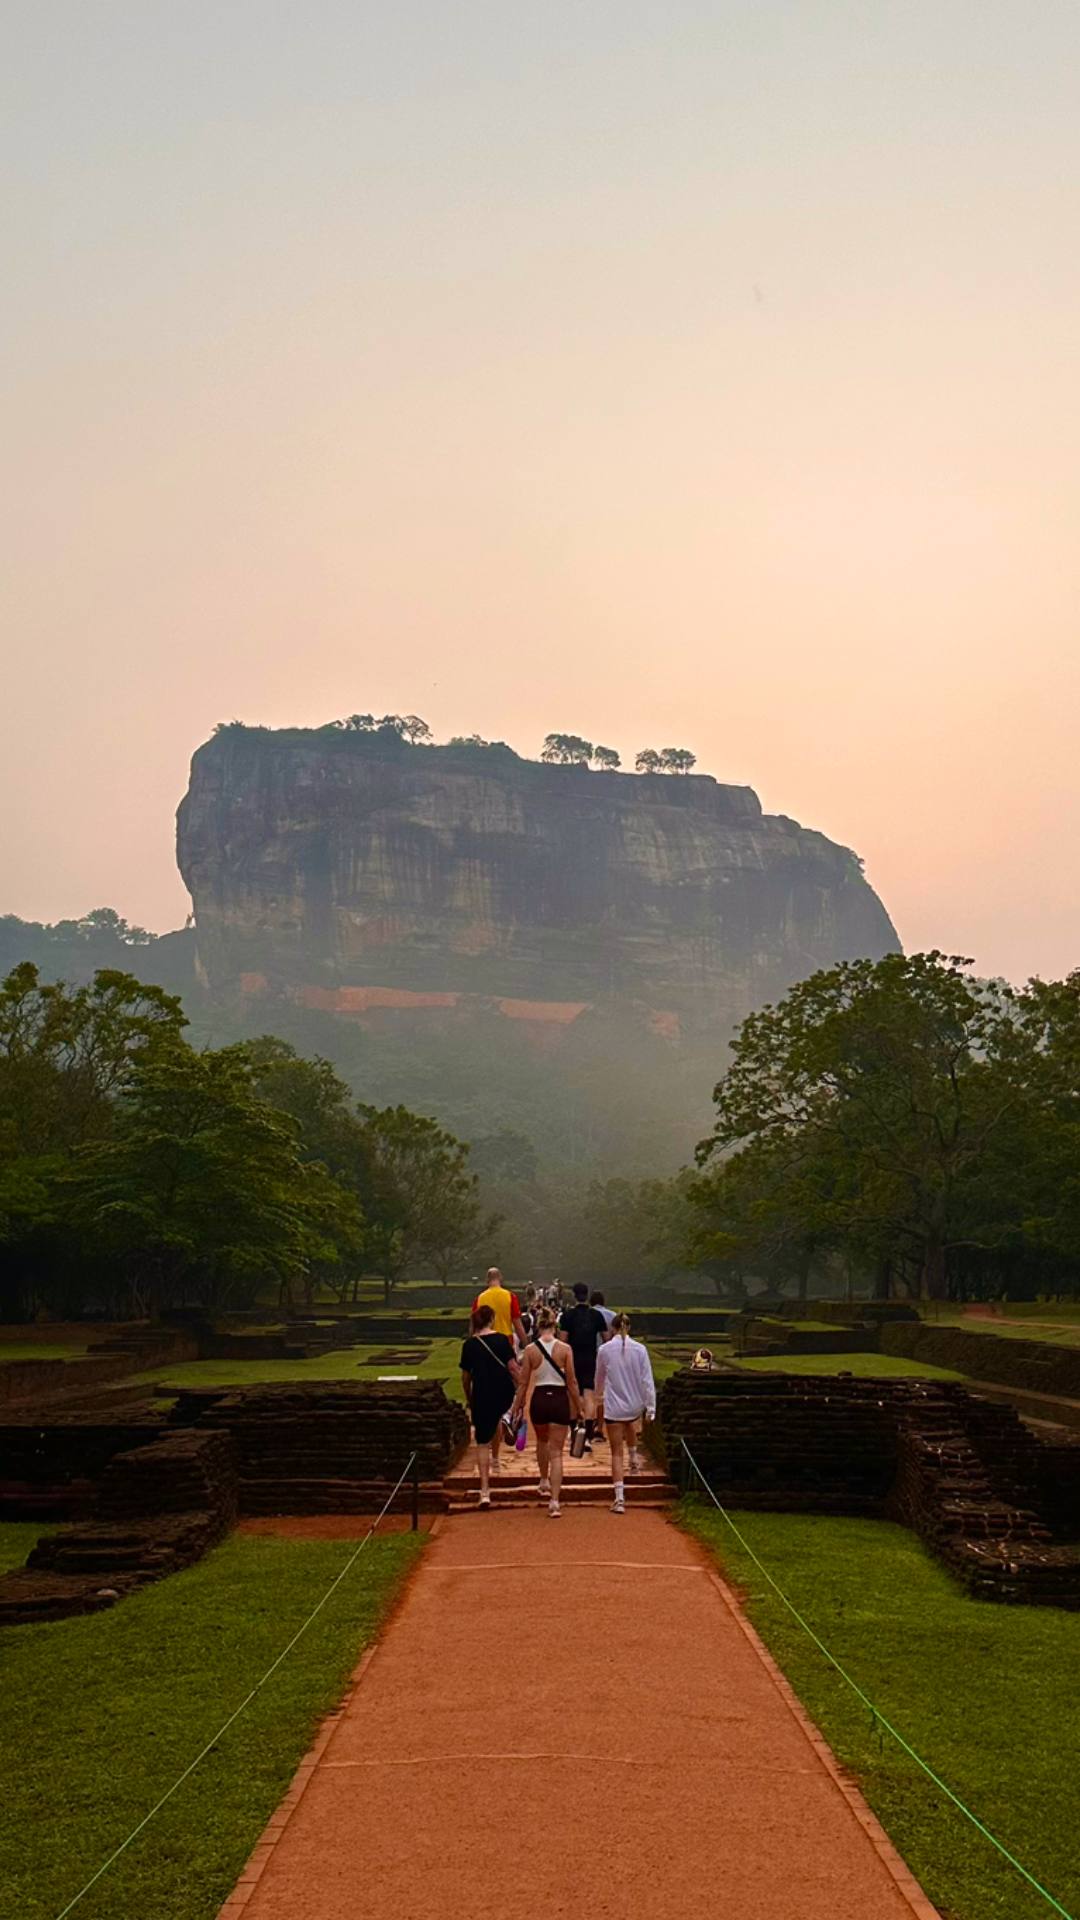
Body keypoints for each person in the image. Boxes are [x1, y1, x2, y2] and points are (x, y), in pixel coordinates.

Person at [508, 1306, 581, 1518]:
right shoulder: (565, 1349)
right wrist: (580, 1407)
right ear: (555, 1326)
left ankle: (543, 1479)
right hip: (559, 1400)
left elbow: (523, 1383)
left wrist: (517, 1407)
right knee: (557, 1452)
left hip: (539, 1399)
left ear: (539, 1326)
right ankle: (555, 1502)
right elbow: (572, 1382)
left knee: (541, 1442)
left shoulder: (530, 1350)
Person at [595, 1313, 656, 1514]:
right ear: (628, 1328)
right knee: (630, 1424)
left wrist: (598, 1397)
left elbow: (600, 1377)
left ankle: (620, 1498)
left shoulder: (604, 1350)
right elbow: (647, 1380)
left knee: (615, 1453)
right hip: (634, 1404)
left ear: (613, 1328)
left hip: (614, 1405)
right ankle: (634, 1458)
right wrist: (651, 1406)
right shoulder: (640, 1350)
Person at [459, 1304, 517, 1508]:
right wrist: (520, 1393)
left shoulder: (470, 1345)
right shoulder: (501, 1340)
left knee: (481, 1440)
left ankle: (485, 1490)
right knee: (498, 1417)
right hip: (502, 1393)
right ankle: (496, 1456)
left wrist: (469, 1397)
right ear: (491, 1319)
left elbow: (465, 1378)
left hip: (482, 1393)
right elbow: (513, 1368)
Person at [558, 1282, 608, 1451]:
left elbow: (563, 1341)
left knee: (572, 1395)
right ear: (587, 1295)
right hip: (590, 1359)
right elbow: (607, 1339)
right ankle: (587, 1435)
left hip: (572, 1359)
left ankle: (574, 1433)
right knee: (589, 1396)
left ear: (574, 1295)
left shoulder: (568, 1316)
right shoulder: (595, 1316)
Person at [471, 1266, 526, 1346]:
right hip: (506, 1339)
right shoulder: (510, 1296)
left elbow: (473, 1325)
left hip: (485, 1341)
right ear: (500, 1278)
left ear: (487, 1280)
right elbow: (517, 1324)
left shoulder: (479, 1298)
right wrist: (525, 1343)